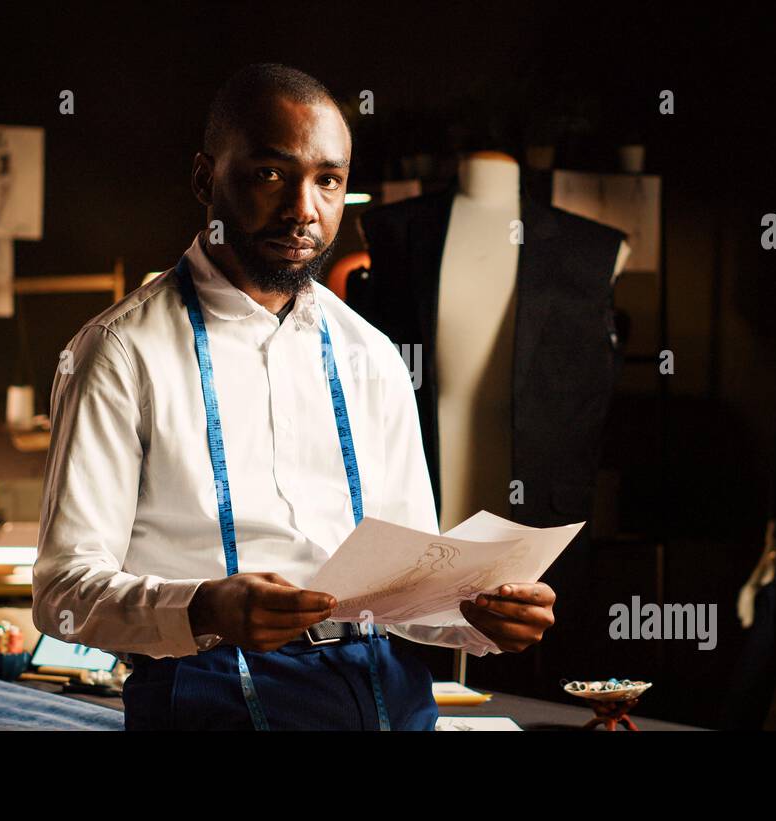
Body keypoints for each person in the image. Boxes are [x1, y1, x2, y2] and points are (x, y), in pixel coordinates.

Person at [33, 63, 556, 730]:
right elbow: (60, 594)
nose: (303, 209)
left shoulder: (372, 357)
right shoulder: (118, 352)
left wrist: (480, 614)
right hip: (208, 689)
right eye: (271, 174)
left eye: (328, 181)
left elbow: (412, 593)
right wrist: (205, 608)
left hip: (384, 690)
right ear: (205, 179)